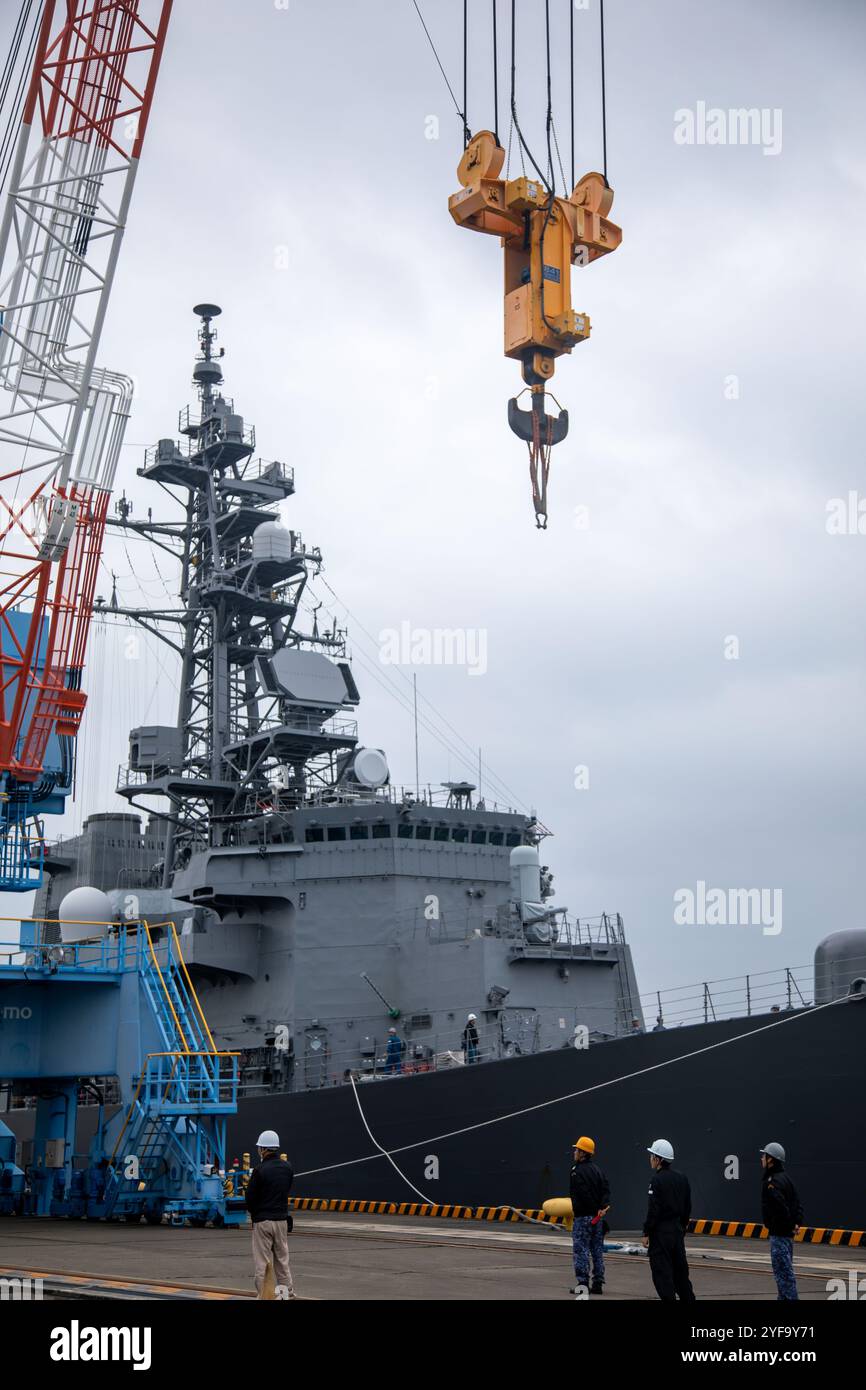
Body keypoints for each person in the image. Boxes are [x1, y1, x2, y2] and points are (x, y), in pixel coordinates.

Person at [643, 1138, 695, 1302]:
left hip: (661, 1234)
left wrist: (646, 1232)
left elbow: (654, 1211)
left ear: (658, 1159)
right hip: (677, 1232)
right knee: (681, 1275)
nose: (650, 1159)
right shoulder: (682, 1178)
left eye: (652, 1156)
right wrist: (682, 1227)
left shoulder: (656, 1180)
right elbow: (687, 1206)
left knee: (662, 1274)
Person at [245, 1129, 295, 1300]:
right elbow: (286, 1190)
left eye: (260, 1148)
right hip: (281, 1221)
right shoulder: (287, 1168)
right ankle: (285, 1295)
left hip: (263, 1222)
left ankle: (265, 1296)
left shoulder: (260, 1170)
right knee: (282, 1261)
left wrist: (255, 1215)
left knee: (263, 1264)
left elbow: (250, 1198)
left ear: (264, 1149)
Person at [760, 1142, 802, 1301]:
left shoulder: (772, 1182)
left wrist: (790, 1224)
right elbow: (797, 1203)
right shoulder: (786, 1179)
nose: (761, 1158)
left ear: (771, 1160)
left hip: (779, 1235)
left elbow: (780, 1208)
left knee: (784, 1277)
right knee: (784, 1275)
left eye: (764, 1155)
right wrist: (796, 1223)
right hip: (788, 1236)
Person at [569, 1136, 610, 1295]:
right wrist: (601, 1208)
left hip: (583, 1217)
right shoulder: (598, 1170)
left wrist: (592, 1209)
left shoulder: (576, 1172)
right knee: (597, 1250)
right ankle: (598, 1283)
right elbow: (606, 1190)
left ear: (583, 1153)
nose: (574, 1152)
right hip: (598, 1217)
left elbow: (582, 1194)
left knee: (581, 1250)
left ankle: (583, 1284)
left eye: (577, 1149)